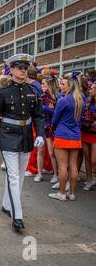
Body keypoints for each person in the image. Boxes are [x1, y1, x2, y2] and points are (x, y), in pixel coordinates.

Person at [0, 54, 45, 231]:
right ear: (12, 70)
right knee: (13, 176)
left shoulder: (33, 91)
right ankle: (17, 215)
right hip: (8, 135)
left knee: (19, 173)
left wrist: (39, 134)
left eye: (25, 68)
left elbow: (38, 115)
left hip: (26, 135)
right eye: (19, 68)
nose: (23, 71)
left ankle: (7, 204)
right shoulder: (3, 92)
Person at [48, 72, 85, 202]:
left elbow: (55, 119)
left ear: (70, 86)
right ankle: (71, 193)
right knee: (73, 166)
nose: (61, 86)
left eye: (63, 84)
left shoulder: (63, 101)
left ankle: (62, 193)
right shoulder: (81, 100)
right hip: (75, 136)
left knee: (62, 166)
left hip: (62, 134)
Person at [41, 76, 60, 187]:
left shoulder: (56, 97)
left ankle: (57, 174)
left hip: (53, 127)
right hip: (44, 126)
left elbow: (55, 113)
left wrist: (43, 107)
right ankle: (55, 173)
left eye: (44, 83)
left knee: (54, 153)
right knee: (49, 152)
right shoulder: (43, 96)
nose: (42, 85)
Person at [81, 81, 96, 191]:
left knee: (94, 159)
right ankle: (89, 180)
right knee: (87, 158)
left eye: (93, 88)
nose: (90, 90)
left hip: (94, 135)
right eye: (90, 88)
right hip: (85, 132)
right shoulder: (88, 101)